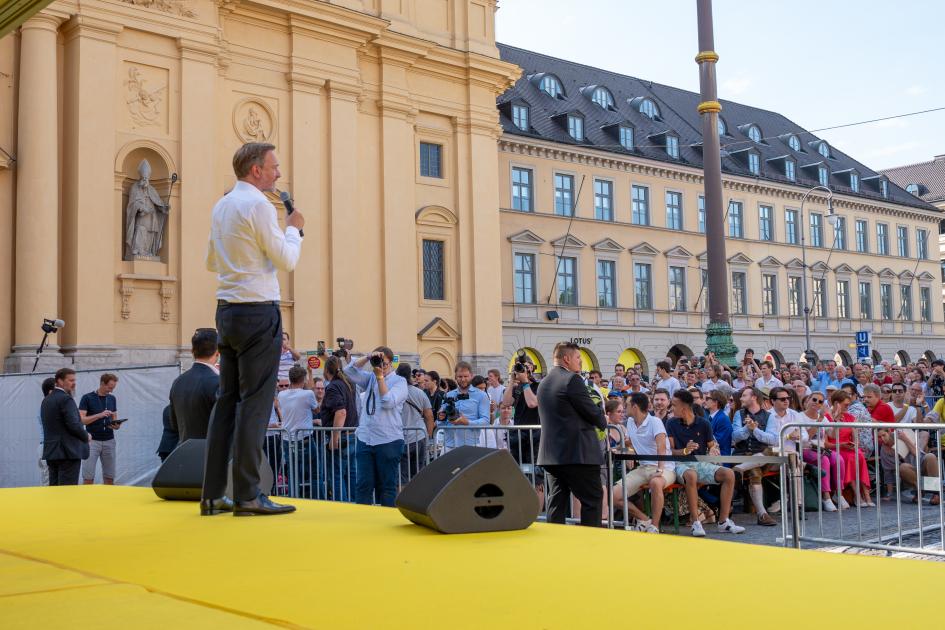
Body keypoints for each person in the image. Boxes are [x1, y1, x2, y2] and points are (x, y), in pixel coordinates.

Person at [202, 141, 304, 517]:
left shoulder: (223, 203)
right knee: (256, 404)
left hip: (226, 309)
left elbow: (213, 260)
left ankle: (213, 495)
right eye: (274, 167)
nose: (278, 173)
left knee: (226, 401)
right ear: (256, 170)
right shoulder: (260, 205)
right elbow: (287, 260)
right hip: (258, 310)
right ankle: (248, 494)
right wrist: (294, 229)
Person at [537, 342, 608, 527]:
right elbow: (591, 412)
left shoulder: (543, 382)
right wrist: (602, 417)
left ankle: (556, 542)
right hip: (578, 453)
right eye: (578, 358)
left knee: (556, 501)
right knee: (592, 499)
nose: (581, 362)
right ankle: (590, 543)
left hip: (552, 455)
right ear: (566, 359)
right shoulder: (572, 380)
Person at [665, 390, 745, 537]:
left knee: (728, 474)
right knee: (691, 475)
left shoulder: (704, 423)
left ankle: (723, 521)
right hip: (680, 464)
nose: (671, 408)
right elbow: (670, 451)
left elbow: (711, 444)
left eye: (674, 405)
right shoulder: (671, 423)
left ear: (684, 407)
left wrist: (714, 448)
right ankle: (696, 522)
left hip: (701, 463)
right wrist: (684, 450)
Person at [345, 347, 408, 507]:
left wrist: (380, 377)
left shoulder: (400, 382)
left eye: (384, 364)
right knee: (363, 485)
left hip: (388, 440)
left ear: (391, 363)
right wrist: (367, 357)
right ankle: (362, 523)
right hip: (365, 439)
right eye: (378, 362)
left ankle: (386, 523)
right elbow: (349, 370)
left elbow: (387, 402)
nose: (381, 366)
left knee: (386, 487)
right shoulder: (370, 378)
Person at [611, 392, 674, 533]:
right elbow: (630, 443)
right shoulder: (630, 422)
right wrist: (615, 448)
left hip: (666, 467)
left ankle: (655, 526)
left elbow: (661, 447)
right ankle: (644, 519)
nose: (624, 408)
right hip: (643, 468)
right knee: (613, 495)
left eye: (626, 405)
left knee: (656, 483)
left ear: (634, 406)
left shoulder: (655, 422)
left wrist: (660, 470)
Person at [732, 387, 779, 526]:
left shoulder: (769, 416)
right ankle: (762, 514)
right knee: (754, 471)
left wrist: (756, 430)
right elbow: (734, 437)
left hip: (762, 455)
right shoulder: (738, 414)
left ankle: (739, 469)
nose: (741, 398)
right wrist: (747, 429)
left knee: (773, 449)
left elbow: (773, 439)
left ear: (754, 397)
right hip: (743, 454)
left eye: (744, 395)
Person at [168, 328, 220, 444]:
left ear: (192, 351)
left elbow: (174, 424)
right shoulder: (218, 382)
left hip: (186, 451)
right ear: (217, 352)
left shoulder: (178, 381)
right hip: (212, 453)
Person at [41, 368, 91, 486]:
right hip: (68, 452)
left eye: (74, 380)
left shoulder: (46, 400)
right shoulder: (66, 399)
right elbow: (73, 424)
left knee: (54, 491)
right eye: (70, 380)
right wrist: (86, 436)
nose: (74, 383)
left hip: (52, 452)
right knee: (67, 492)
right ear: (59, 381)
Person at [825, 389, 873, 507]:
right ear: (837, 404)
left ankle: (866, 495)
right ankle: (857, 495)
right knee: (850, 458)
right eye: (845, 405)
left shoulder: (849, 417)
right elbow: (826, 443)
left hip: (847, 447)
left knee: (859, 454)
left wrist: (854, 445)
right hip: (834, 448)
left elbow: (855, 436)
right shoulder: (827, 417)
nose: (848, 407)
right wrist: (836, 421)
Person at [320, 355, 359, 501]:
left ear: (326, 370)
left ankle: (341, 507)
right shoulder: (347, 383)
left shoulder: (333, 386)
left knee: (336, 474)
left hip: (341, 436)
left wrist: (334, 438)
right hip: (351, 434)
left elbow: (341, 412)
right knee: (351, 473)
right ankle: (356, 506)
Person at [800, 392, 846, 511]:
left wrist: (836, 422)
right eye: (814, 399)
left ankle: (838, 493)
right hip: (806, 449)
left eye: (820, 401)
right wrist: (819, 419)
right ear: (808, 400)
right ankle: (826, 496)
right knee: (824, 460)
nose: (817, 403)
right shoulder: (800, 416)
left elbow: (832, 435)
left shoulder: (824, 418)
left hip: (821, 449)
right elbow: (808, 437)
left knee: (838, 459)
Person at [278, 365, 320, 498]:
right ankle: (316, 499)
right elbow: (317, 410)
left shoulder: (281, 394)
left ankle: (293, 499)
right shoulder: (308, 394)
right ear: (303, 379)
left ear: (290, 380)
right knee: (314, 473)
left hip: (287, 439)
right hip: (304, 439)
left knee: (292, 473)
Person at [436, 362, 490, 450]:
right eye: (460, 377)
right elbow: (440, 424)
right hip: (449, 444)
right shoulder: (448, 395)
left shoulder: (481, 395)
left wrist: (467, 422)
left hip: (470, 445)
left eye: (466, 376)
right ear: (455, 377)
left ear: (471, 376)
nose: (463, 379)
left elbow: (486, 421)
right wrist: (440, 418)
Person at [79, 373, 121, 485]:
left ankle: (109, 501)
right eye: (109, 387)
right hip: (92, 441)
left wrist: (116, 425)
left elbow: (114, 417)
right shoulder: (87, 398)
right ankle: (87, 501)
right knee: (88, 477)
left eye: (113, 388)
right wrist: (99, 415)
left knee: (109, 476)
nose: (111, 390)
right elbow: (82, 420)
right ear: (102, 383)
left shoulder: (112, 398)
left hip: (109, 441)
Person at [397, 363, 433, 484]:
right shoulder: (419, 393)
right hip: (419, 436)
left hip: (399, 437)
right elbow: (429, 416)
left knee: (402, 477)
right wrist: (428, 436)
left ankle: (402, 501)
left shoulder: (394, 392)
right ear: (410, 376)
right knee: (418, 475)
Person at [37, 378, 56, 485]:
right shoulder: (47, 406)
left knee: (48, 479)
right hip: (47, 446)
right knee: (48, 480)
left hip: (46, 446)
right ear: (50, 392)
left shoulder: (46, 405)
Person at [705, 389, 732, 456]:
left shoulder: (723, 419)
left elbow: (717, 442)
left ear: (715, 402)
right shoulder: (709, 417)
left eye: (707, 398)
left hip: (720, 458)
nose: (705, 400)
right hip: (710, 456)